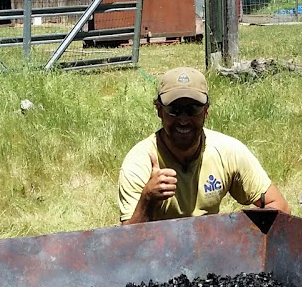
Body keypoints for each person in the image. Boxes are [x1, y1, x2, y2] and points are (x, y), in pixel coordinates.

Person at [118, 67, 290, 224]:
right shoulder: (139, 163)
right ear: (159, 110)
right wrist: (147, 199)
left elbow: (281, 207)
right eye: (174, 109)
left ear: (206, 110)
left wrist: (237, 228)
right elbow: (127, 244)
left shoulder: (227, 151)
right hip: (159, 253)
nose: (183, 119)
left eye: (193, 109)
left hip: (211, 247)